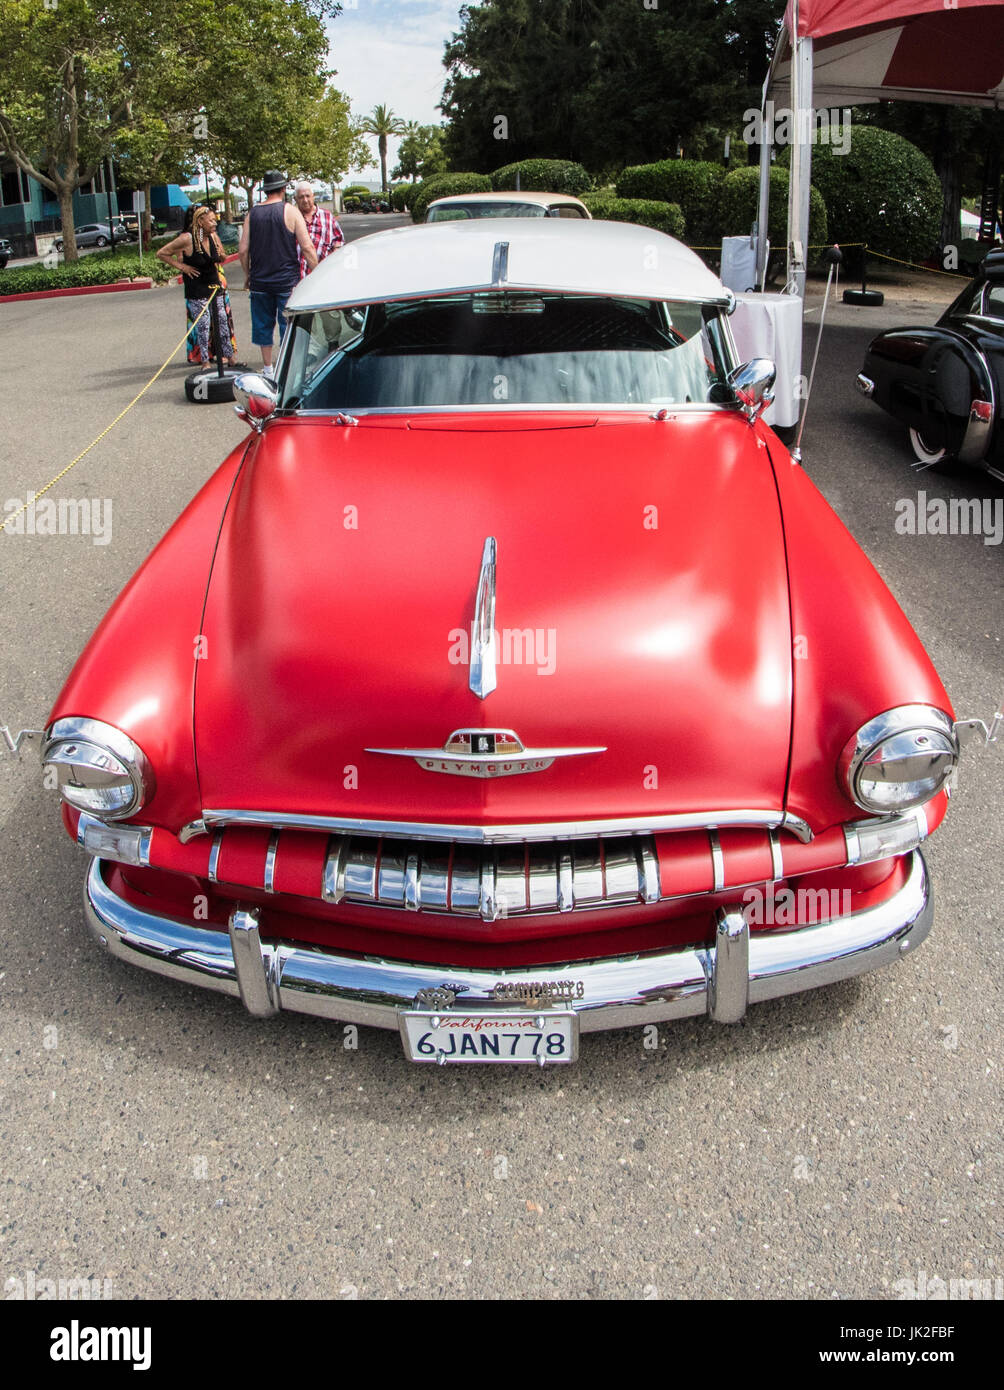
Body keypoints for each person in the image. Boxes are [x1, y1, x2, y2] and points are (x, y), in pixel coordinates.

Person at [238, 170, 318, 374]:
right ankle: (286, 368)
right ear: (283, 189)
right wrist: (316, 273)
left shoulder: (252, 214)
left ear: (265, 190)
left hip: (260, 282)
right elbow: (307, 247)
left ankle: (267, 367)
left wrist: (248, 275)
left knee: (263, 326)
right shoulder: (291, 212)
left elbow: (243, 250)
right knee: (287, 325)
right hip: (286, 281)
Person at [157, 206, 237, 368]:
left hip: (214, 285)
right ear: (200, 221)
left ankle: (230, 357)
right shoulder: (187, 239)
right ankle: (205, 361)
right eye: (211, 220)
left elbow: (221, 256)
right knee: (203, 325)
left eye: (215, 219)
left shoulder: (213, 236)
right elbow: (162, 253)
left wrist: (221, 255)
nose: (215, 223)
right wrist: (183, 268)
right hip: (197, 289)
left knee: (222, 321)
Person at [294, 182, 343, 278]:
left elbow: (339, 242)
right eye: (301, 197)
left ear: (313, 196)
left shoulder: (327, 216)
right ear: (295, 199)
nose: (305, 200)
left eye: (308, 196)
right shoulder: (292, 218)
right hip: (297, 280)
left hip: (322, 278)